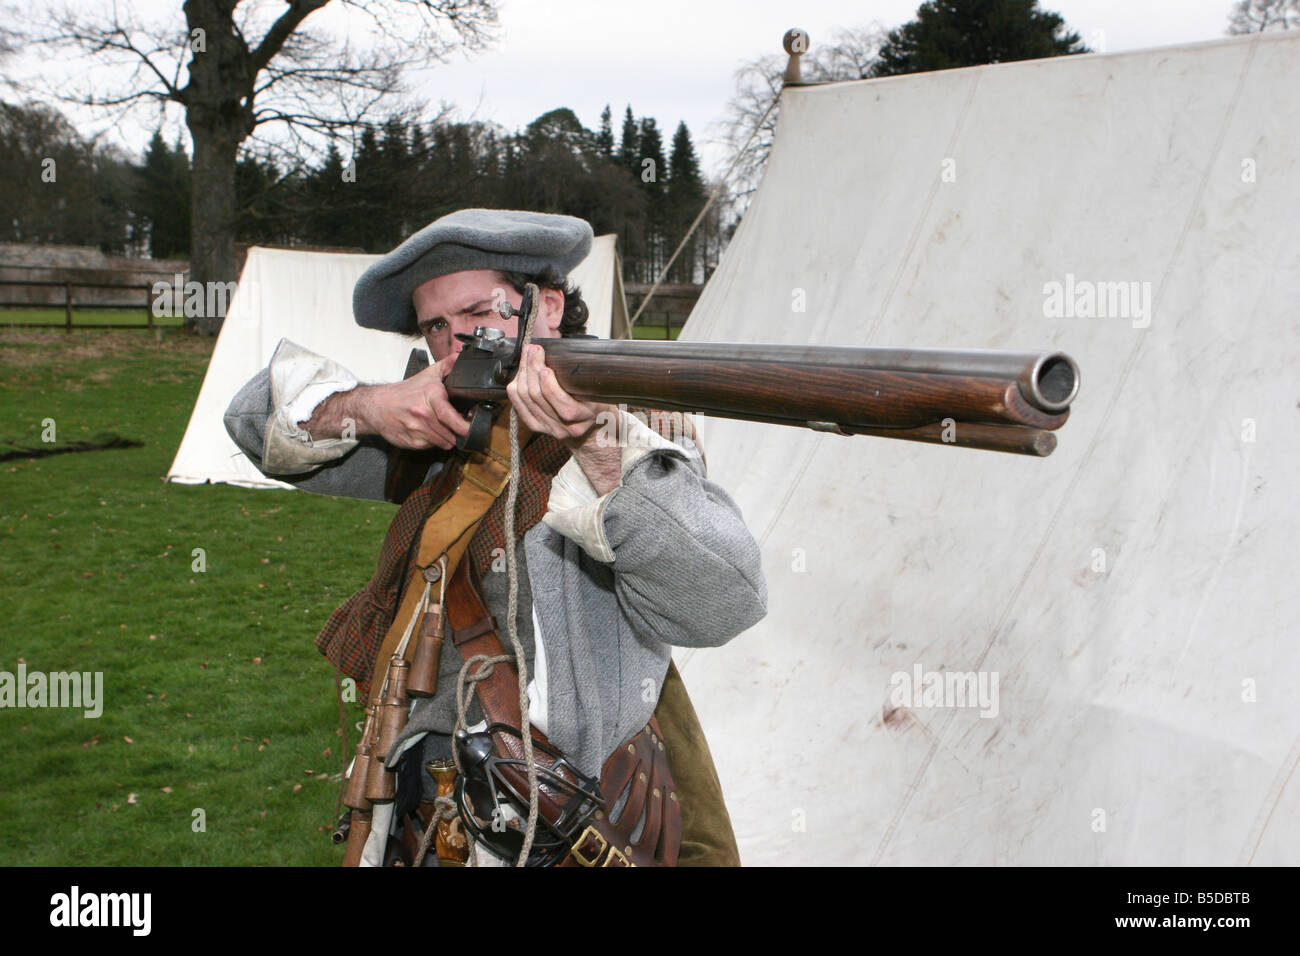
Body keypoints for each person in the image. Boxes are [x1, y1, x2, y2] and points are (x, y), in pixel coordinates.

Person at [224, 208, 767, 866]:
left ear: (550, 307)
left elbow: (726, 602)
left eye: (480, 314)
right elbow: (252, 417)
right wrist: (368, 405)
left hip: (571, 817)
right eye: (436, 327)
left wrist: (595, 447)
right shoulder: (438, 423)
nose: (456, 345)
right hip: (432, 803)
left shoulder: (633, 424)